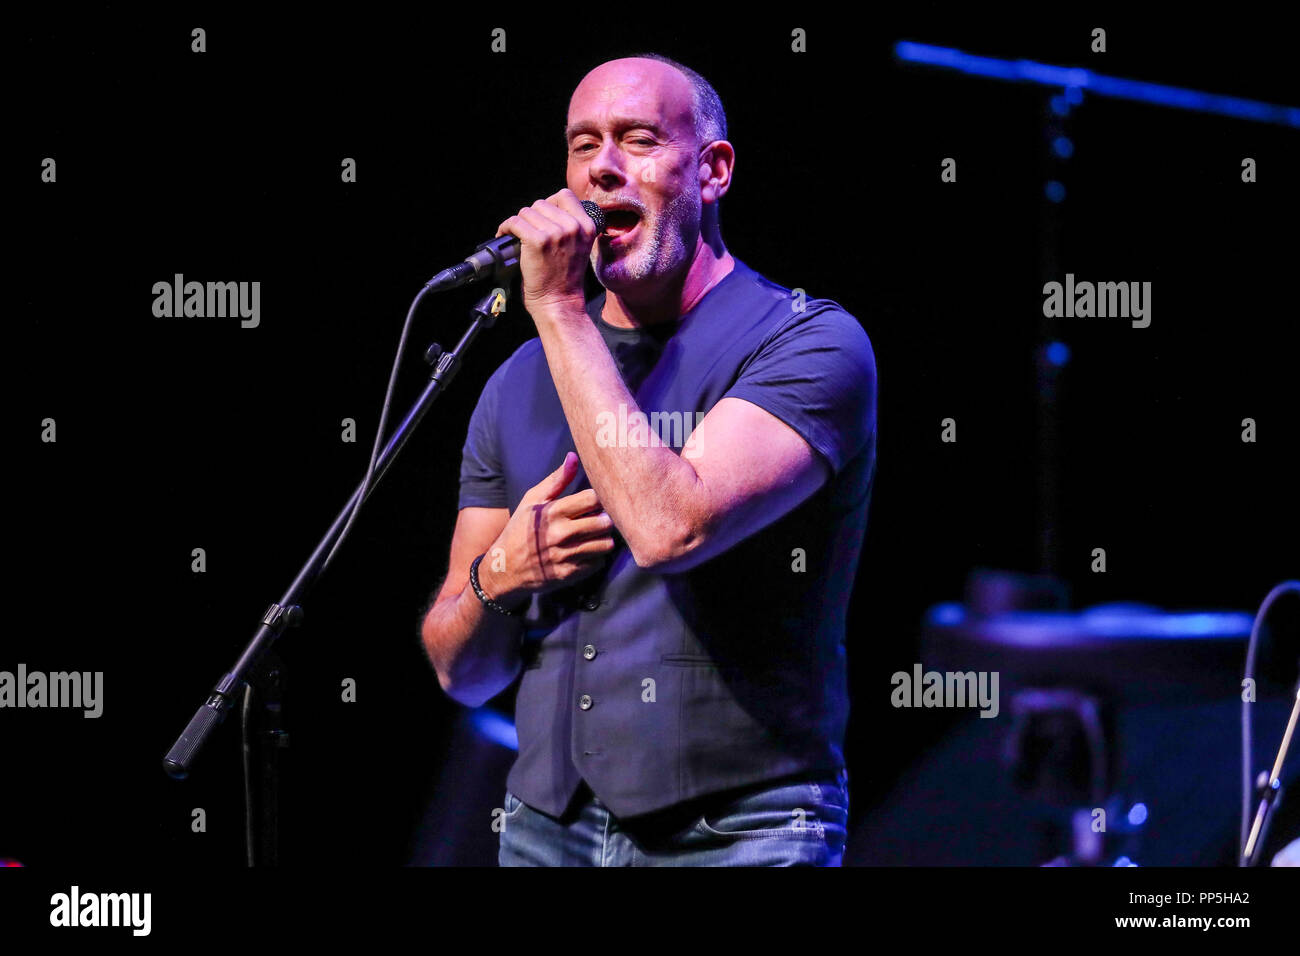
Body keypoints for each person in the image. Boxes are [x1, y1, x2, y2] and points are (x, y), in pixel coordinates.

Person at [419, 53, 876, 866]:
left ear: (712, 170)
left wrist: (558, 308)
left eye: (636, 139)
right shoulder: (519, 380)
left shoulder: (809, 343)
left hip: (743, 830)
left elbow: (670, 526)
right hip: (541, 829)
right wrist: (503, 576)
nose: (602, 167)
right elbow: (463, 673)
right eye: (582, 144)